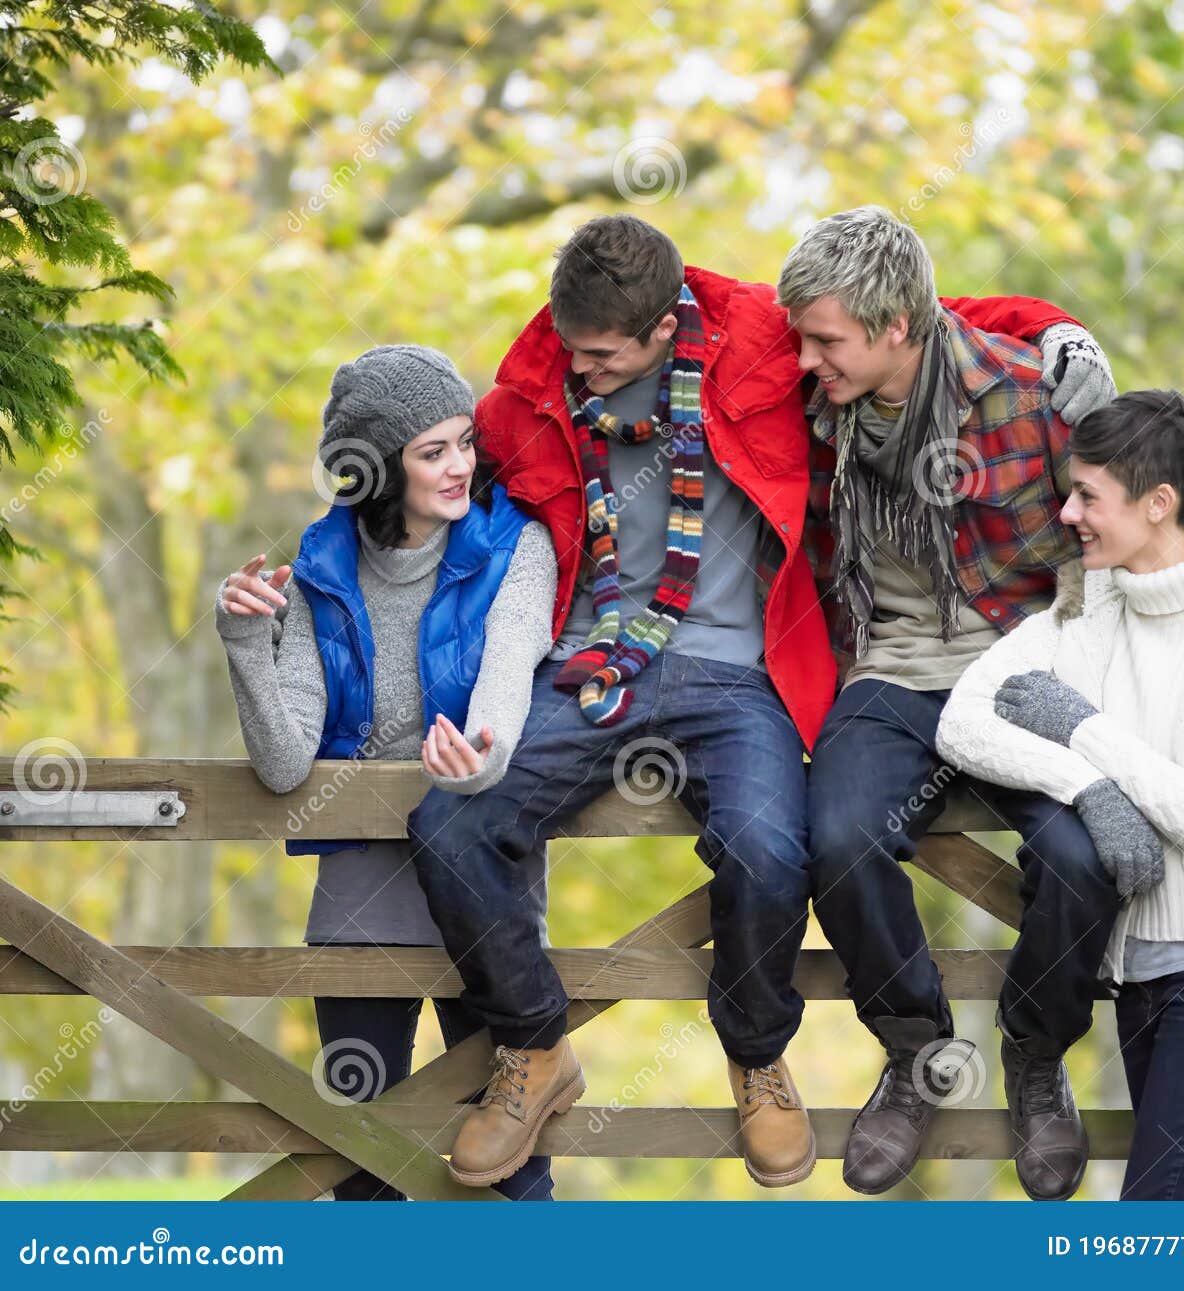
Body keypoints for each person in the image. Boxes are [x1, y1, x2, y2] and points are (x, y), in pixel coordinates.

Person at [405, 212, 1111, 1190]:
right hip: (589, 668)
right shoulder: (531, 395)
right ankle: (533, 1047)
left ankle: (762, 1052)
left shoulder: (760, 341)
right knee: (445, 826)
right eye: (572, 348)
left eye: (602, 354)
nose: (584, 368)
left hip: (742, 676)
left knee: (775, 848)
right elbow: (422, 478)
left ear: (662, 327)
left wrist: (1059, 330)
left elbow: (923, 319)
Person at [780, 206, 1184, 1199]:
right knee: (839, 835)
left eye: (825, 338)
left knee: (1082, 858)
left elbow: (1155, 515)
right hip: (896, 669)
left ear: (894, 327)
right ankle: (912, 1046)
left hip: (1034, 677)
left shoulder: (1032, 397)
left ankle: (1036, 1052)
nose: (806, 353)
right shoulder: (811, 398)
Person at [937, 388, 1184, 1200]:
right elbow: (962, 722)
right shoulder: (1087, 605)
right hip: (1140, 971)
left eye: (1088, 494)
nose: (1069, 511)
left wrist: (1084, 732)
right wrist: (1087, 787)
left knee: (1155, 1215)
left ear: (1159, 504)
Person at [215, 344, 558, 1201]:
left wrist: (478, 758)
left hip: (480, 876)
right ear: (376, 466)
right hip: (359, 884)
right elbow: (287, 762)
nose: (460, 466)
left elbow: (509, 670)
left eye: (463, 443)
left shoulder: (518, 542)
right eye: (430, 450)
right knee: (359, 1154)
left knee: (509, 1158)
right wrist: (246, 644)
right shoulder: (322, 564)